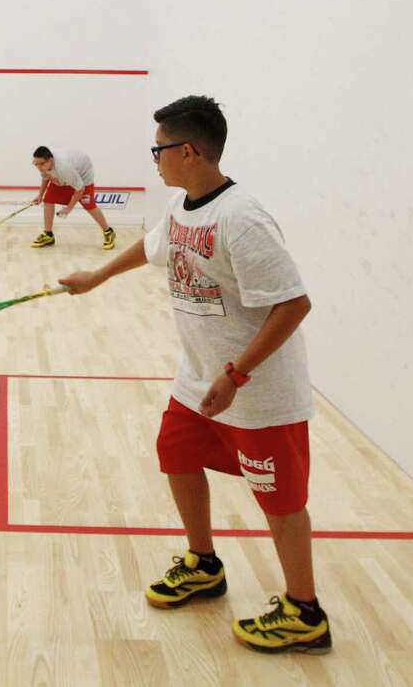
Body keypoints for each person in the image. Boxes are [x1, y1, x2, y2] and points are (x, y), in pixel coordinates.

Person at [58, 96, 330, 654]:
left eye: (158, 149)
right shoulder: (184, 206)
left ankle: (306, 612)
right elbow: (153, 246)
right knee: (176, 455)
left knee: (278, 499)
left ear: (187, 151)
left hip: (257, 392)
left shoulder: (242, 218)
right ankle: (204, 564)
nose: (153, 159)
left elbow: (294, 304)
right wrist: (99, 275)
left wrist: (237, 375)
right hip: (199, 378)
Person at [29, 146, 116, 250]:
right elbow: (45, 177)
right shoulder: (43, 165)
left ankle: (108, 232)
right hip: (68, 174)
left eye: (41, 164)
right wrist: (40, 195)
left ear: (51, 160)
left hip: (83, 176)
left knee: (89, 205)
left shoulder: (64, 168)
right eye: (36, 164)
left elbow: (80, 189)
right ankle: (48, 235)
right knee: (48, 200)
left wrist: (69, 208)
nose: (39, 167)